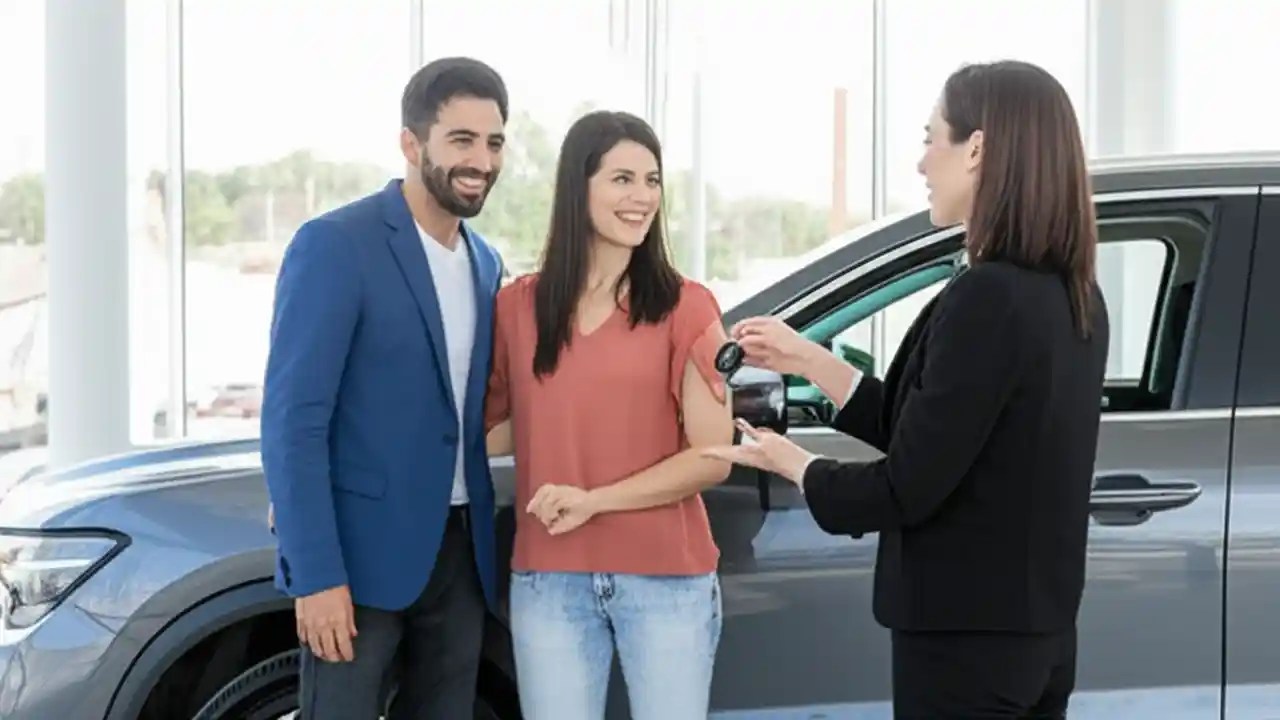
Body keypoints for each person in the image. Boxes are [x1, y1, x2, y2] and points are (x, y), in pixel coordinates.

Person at [701, 60, 1110, 719]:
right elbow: (930, 432)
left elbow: (906, 487)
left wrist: (791, 462)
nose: (922, 163)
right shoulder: (1074, 296)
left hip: (963, 642)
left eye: (930, 138)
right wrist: (810, 359)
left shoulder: (988, 296)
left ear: (976, 149)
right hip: (1037, 637)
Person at [260, 56, 509, 719]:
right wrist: (314, 574)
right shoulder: (337, 244)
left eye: (493, 142)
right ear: (411, 142)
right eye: (461, 139)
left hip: (461, 558)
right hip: (358, 559)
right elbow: (294, 420)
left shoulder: (487, 263)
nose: (480, 160)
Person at [483, 110, 735, 720]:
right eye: (622, 178)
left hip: (667, 582)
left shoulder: (687, 306)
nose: (642, 197)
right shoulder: (516, 307)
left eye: (652, 181)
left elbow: (713, 456)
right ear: (580, 186)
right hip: (549, 580)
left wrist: (595, 500)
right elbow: (493, 433)